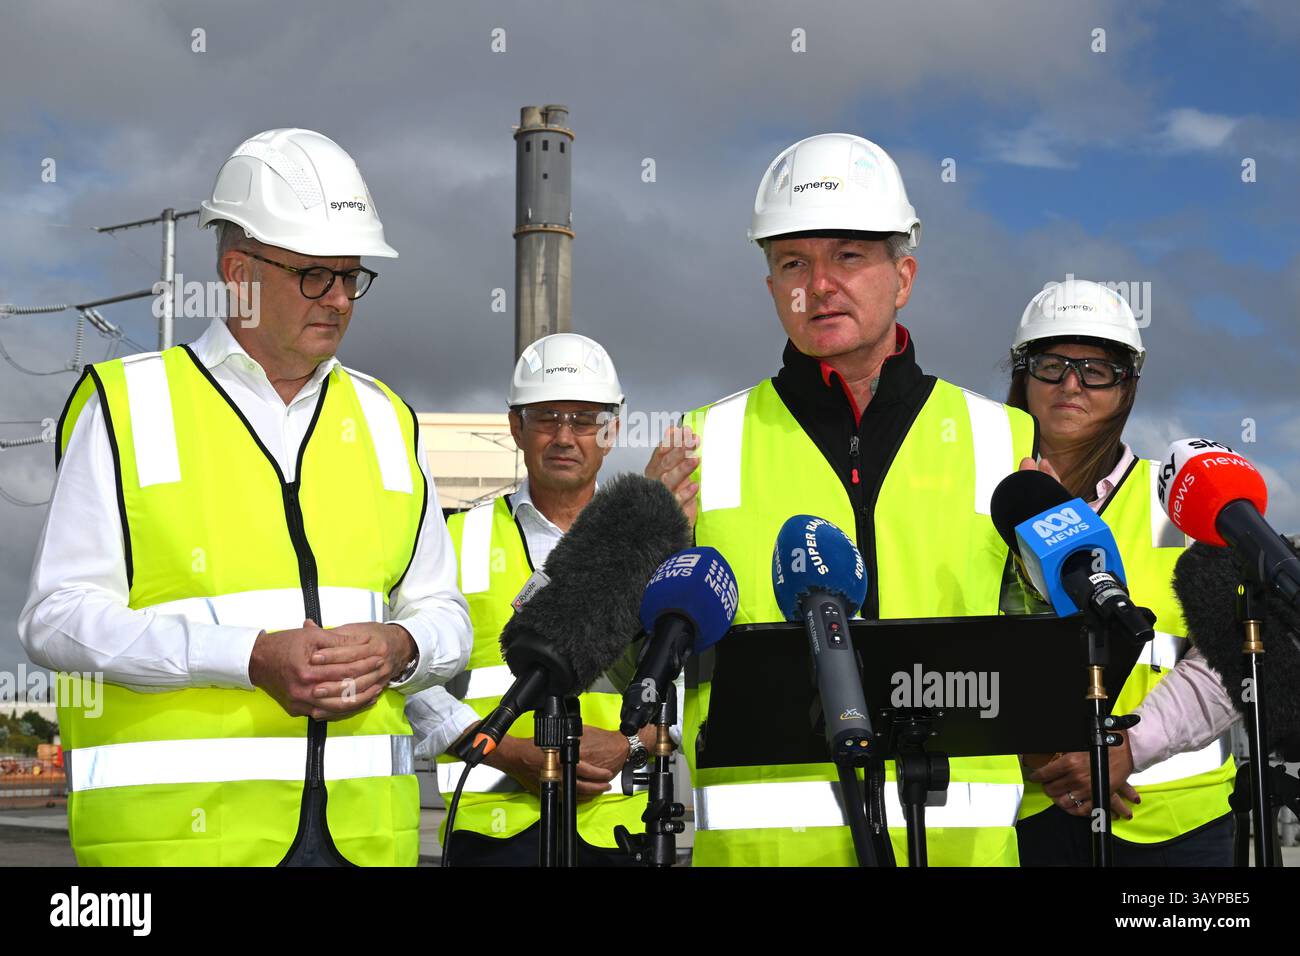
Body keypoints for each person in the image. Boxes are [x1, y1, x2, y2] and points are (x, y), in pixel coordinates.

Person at [18, 128, 472, 866]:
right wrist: (247, 657)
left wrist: (404, 645)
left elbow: (443, 611)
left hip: (367, 840)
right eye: (314, 275)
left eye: (351, 277)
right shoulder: (130, 404)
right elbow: (56, 618)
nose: (338, 300)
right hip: (182, 844)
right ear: (238, 271)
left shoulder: (388, 418)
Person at [645, 133, 1037, 866]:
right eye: (794, 262)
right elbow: (631, 661)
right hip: (765, 853)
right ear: (771, 288)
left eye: (850, 256)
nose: (819, 285)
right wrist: (645, 553)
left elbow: (1049, 646)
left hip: (960, 847)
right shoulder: (701, 445)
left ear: (905, 275)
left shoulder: (1002, 439)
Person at [1006, 278, 1236, 866]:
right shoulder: (979, 500)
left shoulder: (1182, 504)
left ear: (1129, 383)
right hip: (1022, 815)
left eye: (1097, 369)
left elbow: (1235, 650)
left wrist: (1129, 748)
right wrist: (1037, 753)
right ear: (1021, 374)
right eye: (1051, 365)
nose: (1072, 384)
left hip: (1177, 827)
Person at [410, 332, 655, 866]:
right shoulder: (453, 541)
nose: (565, 437)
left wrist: (628, 745)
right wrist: (504, 752)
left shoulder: (647, 550)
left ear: (610, 431)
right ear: (516, 427)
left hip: (615, 837)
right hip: (489, 836)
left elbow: (683, 692)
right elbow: (413, 687)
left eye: (584, 419)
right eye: (547, 418)